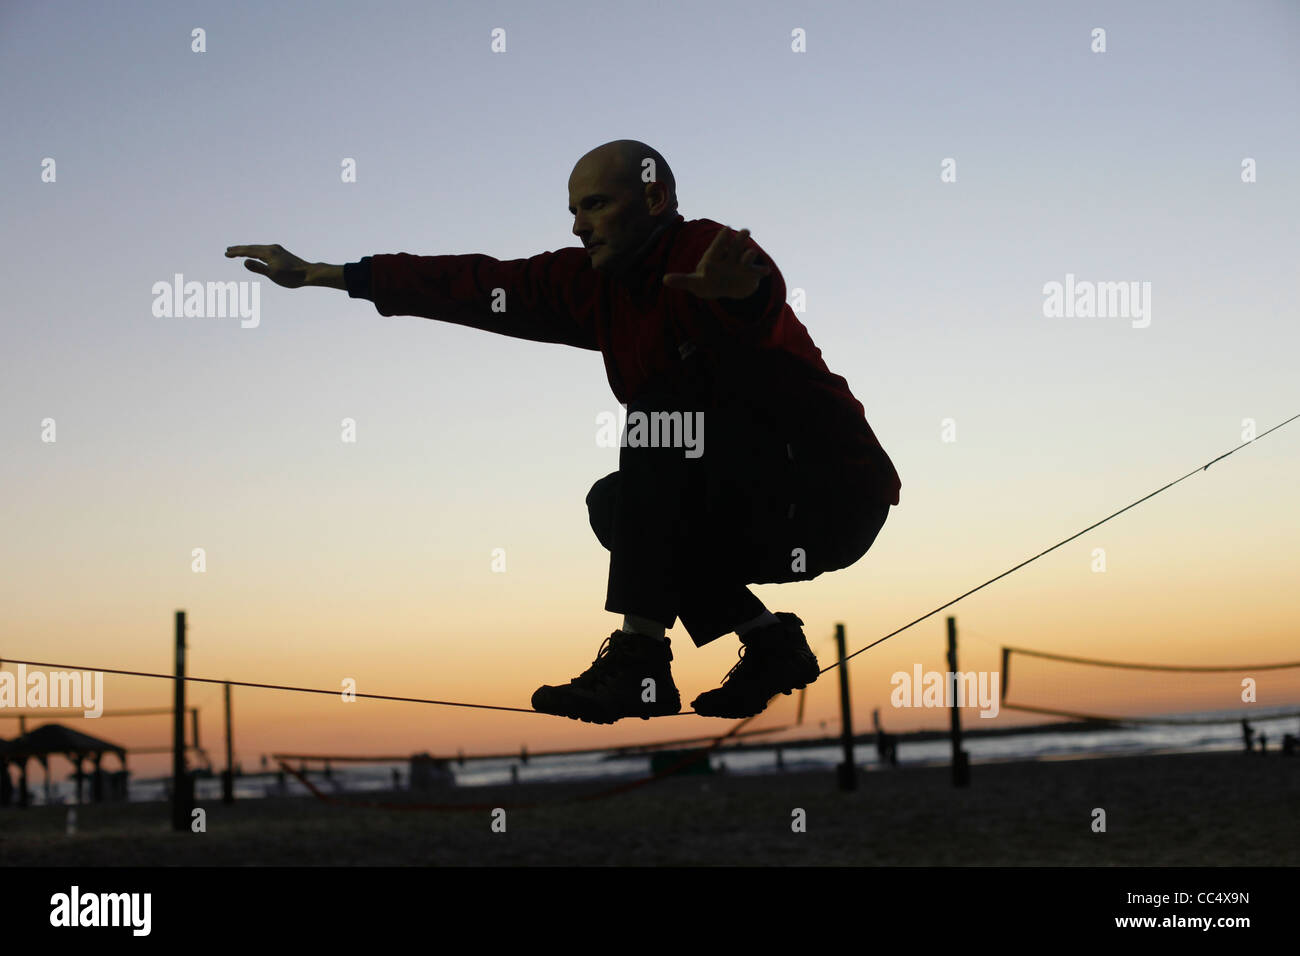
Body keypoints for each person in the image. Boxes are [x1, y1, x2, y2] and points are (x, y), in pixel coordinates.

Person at [225, 140, 900, 724]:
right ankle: (770, 643)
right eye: (574, 210)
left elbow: (757, 303)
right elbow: (470, 282)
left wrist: (739, 294)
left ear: (654, 197)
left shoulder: (703, 253)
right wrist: (321, 275)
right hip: (745, 517)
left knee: (660, 413)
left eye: (597, 205)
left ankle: (640, 662)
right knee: (618, 506)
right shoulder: (591, 284)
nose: (580, 225)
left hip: (826, 497)